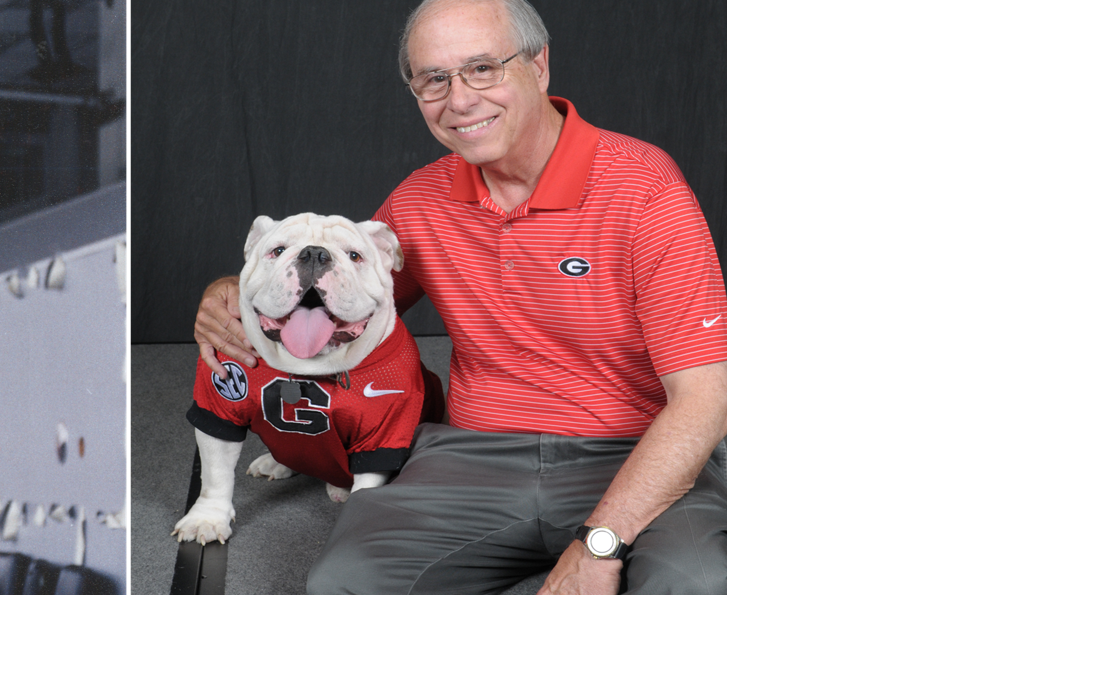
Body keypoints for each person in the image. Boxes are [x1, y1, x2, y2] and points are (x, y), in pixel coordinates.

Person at [193, 0, 726, 594]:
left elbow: (705, 400)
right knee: (344, 583)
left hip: (632, 453)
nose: (461, 99)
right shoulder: (419, 201)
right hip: (471, 458)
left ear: (539, 64)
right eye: (434, 79)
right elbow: (331, 299)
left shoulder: (643, 187)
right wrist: (228, 292)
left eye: (483, 68)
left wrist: (600, 542)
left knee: (699, 584)